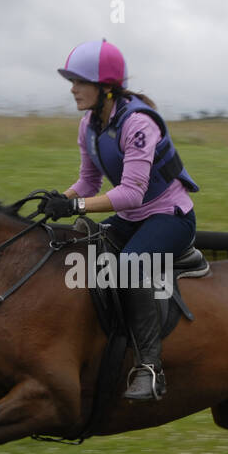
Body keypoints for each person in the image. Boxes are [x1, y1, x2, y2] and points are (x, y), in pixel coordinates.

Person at [40, 39, 200, 401]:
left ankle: (149, 369)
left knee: (127, 266)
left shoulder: (138, 124)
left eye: (80, 81)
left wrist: (78, 206)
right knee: (80, 241)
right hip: (132, 219)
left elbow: (132, 194)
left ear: (105, 87)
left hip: (170, 216)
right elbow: (88, 182)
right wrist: (58, 200)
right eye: (72, 81)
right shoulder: (89, 126)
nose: (73, 89)